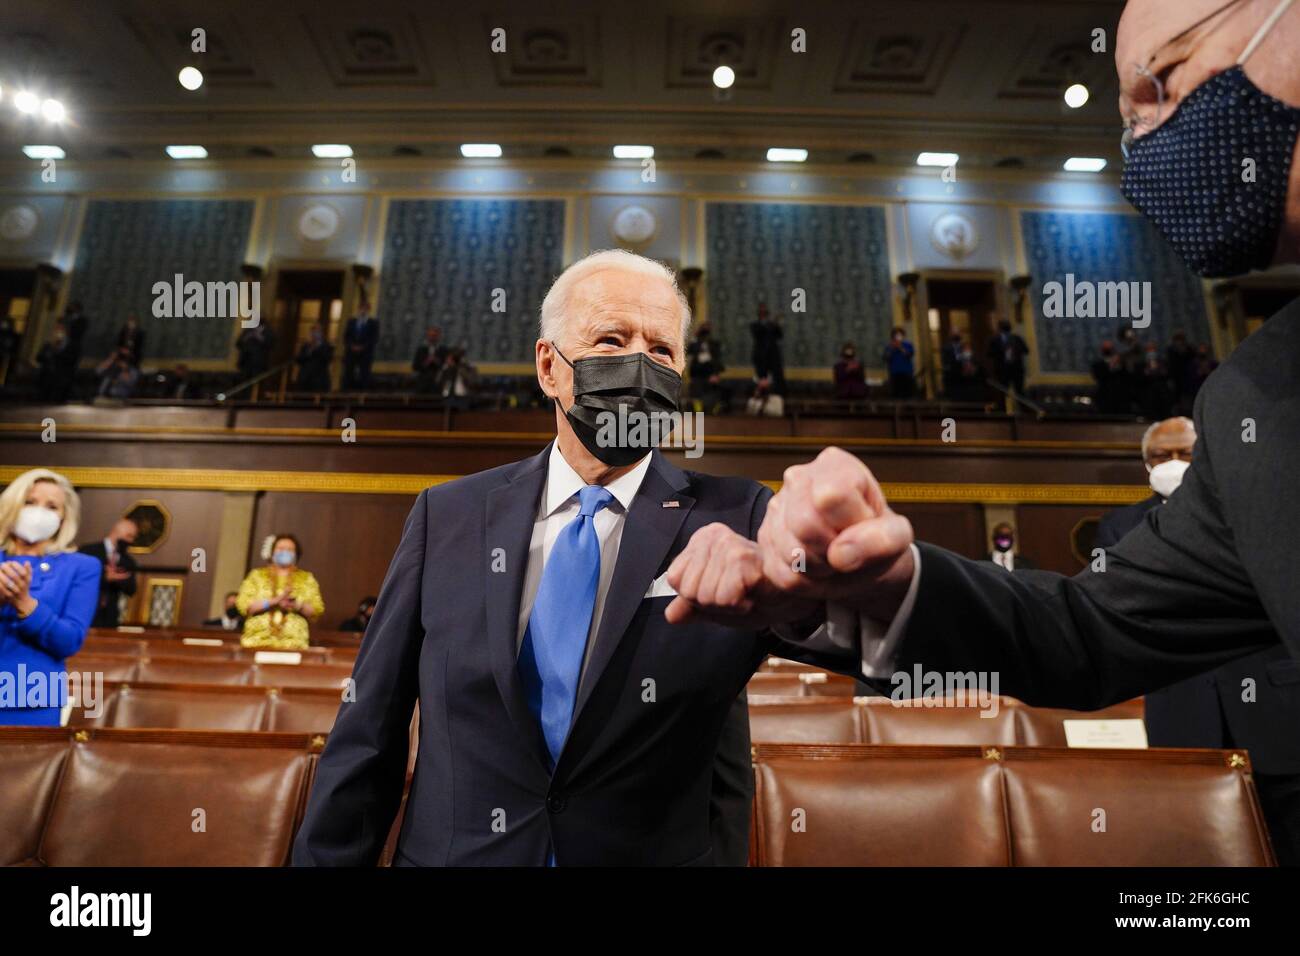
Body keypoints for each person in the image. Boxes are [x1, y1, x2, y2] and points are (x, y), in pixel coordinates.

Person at [662, 0, 1300, 864]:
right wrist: (873, 586)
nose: (1140, 145)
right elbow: (1090, 631)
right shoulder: (1256, 396)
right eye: (1126, 117)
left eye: (1160, 84)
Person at [293, 250, 872, 867]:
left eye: (662, 352)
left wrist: (850, 567)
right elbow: (368, 734)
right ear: (550, 367)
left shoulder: (736, 517)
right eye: (611, 339)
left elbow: (873, 648)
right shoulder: (448, 516)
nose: (639, 366)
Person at [1095, 415, 1300, 864]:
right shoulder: (1118, 527)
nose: (1173, 462)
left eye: (1185, 452)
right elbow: (1130, 604)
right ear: (1144, 465)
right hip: (1182, 708)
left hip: (1274, 708)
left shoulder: (1261, 510)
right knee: (1194, 848)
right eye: (1159, 455)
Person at [0, 469, 100, 726]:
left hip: (30, 701)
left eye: (52, 506)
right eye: (30, 502)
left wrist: (24, 603)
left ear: (64, 517)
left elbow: (69, 641)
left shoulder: (81, 567)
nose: (38, 512)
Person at [236, 534, 324, 651]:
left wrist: (296, 605)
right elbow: (244, 606)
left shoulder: (306, 578)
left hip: (294, 644)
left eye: (290, 550)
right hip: (256, 643)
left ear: (296, 554)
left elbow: (316, 611)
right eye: (281, 549)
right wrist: (275, 601)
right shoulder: (256, 576)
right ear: (272, 552)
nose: (285, 552)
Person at [78, 517, 139, 628]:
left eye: (133, 537)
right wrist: (104, 577)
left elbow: (132, 590)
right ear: (117, 532)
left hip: (109, 618)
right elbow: (78, 578)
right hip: (86, 613)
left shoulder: (128, 561)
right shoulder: (88, 551)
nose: (131, 541)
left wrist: (119, 578)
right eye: (129, 536)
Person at [686, 324, 727, 412]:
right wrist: (695, 337)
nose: (705, 336)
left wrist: (715, 374)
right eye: (703, 332)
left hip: (710, 372)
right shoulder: (695, 344)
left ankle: (713, 409)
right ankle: (699, 410)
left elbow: (717, 359)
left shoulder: (714, 344)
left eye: (706, 332)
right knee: (696, 392)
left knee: (713, 392)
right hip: (697, 373)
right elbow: (689, 351)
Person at [749, 303, 785, 396]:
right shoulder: (754, 324)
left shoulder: (772, 324)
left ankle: (777, 393)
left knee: (776, 376)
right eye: (761, 310)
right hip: (760, 355)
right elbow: (759, 332)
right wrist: (772, 322)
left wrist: (777, 324)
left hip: (773, 354)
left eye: (765, 310)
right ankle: (761, 394)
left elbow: (780, 335)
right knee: (761, 377)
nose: (763, 312)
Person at [35, 323, 77, 403]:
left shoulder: (71, 346)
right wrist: (47, 356)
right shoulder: (47, 345)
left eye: (61, 330)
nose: (58, 333)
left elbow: (71, 362)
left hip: (60, 380)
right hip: (46, 378)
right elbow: (38, 358)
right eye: (56, 330)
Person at [986, 319, 1029, 397]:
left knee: (1019, 392)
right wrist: (1001, 351)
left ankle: (1021, 408)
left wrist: (1015, 350)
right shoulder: (995, 340)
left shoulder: (1017, 338)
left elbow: (1026, 350)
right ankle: (1003, 408)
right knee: (1003, 392)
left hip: (1016, 369)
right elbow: (989, 353)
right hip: (1002, 369)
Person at [342, 306, 379, 390]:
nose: (362, 311)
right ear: (358, 309)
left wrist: (362, 347)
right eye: (361, 309)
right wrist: (352, 346)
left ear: (368, 310)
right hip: (351, 353)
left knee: (364, 375)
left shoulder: (373, 323)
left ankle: (362, 393)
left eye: (365, 309)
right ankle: (346, 392)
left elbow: (374, 338)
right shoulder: (351, 322)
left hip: (366, 354)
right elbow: (346, 336)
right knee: (348, 374)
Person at [1090, 339, 1127, 413]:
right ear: (1102, 350)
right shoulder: (1097, 364)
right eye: (1106, 348)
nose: (1109, 350)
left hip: (1120, 397)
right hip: (1104, 396)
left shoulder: (1121, 363)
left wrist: (1118, 364)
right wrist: (1111, 365)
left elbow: (1125, 377)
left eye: (1110, 348)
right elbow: (1099, 377)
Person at [295, 324, 334, 393]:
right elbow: (298, 359)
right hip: (305, 378)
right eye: (313, 332)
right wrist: (309, 351)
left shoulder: (326, 345)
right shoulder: (306, 346)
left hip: (320, 379)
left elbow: (328, 359)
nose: (315, 334)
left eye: (317, 332)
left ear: (321, 333)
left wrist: (317, 347)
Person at [881, 327, 915, 399]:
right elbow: (885, 358)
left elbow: (909, 355)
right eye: (896, 335)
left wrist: (900, 347)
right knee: (896, 394)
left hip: (906, 372)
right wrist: (892, 348)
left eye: (900, 335)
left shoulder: (908, 344)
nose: (898, 337)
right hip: (894, 372)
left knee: (908, 393)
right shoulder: (889, 346)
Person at [412, 327, 447, 393]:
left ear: (438, 337)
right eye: (430, 336)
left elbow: (447, 366)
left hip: (438, 383)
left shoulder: (443, 350)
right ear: (427, 336)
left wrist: (437, 361)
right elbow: (415, 367)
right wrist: (426, 362)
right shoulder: (421, 350)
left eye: (434, 336)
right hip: (422, 383)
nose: (432, 338)